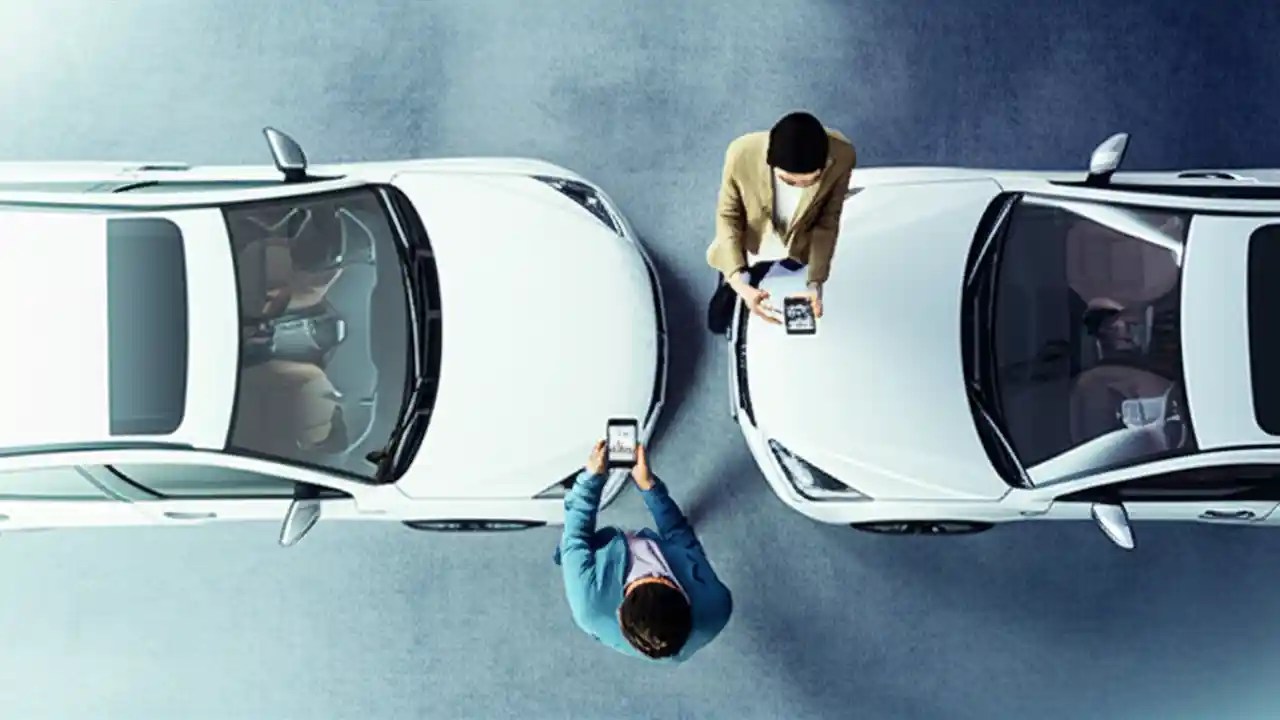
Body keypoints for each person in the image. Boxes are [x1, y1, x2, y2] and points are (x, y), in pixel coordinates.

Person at [555, 441, 732, 662]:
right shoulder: (716, 604)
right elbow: (682, 537)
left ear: (618, 615)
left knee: (575, 550)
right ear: (686, 596)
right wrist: (650, 488)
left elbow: (575, 536)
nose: (652, 572)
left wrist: (591, 479)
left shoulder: (589, 606)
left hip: (606, 557)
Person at [705, 111, 857, 333]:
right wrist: (739, 282)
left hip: (796, 244)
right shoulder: (741, 154)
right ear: (770, 163)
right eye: (788, 181)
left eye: (810, 182)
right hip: (749, 242)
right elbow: (729, 215)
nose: (799, 187)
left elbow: (827, 221)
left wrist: (815, 283)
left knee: (782, 271)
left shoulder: (843, 156)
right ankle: (730, 292)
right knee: (722, 310)